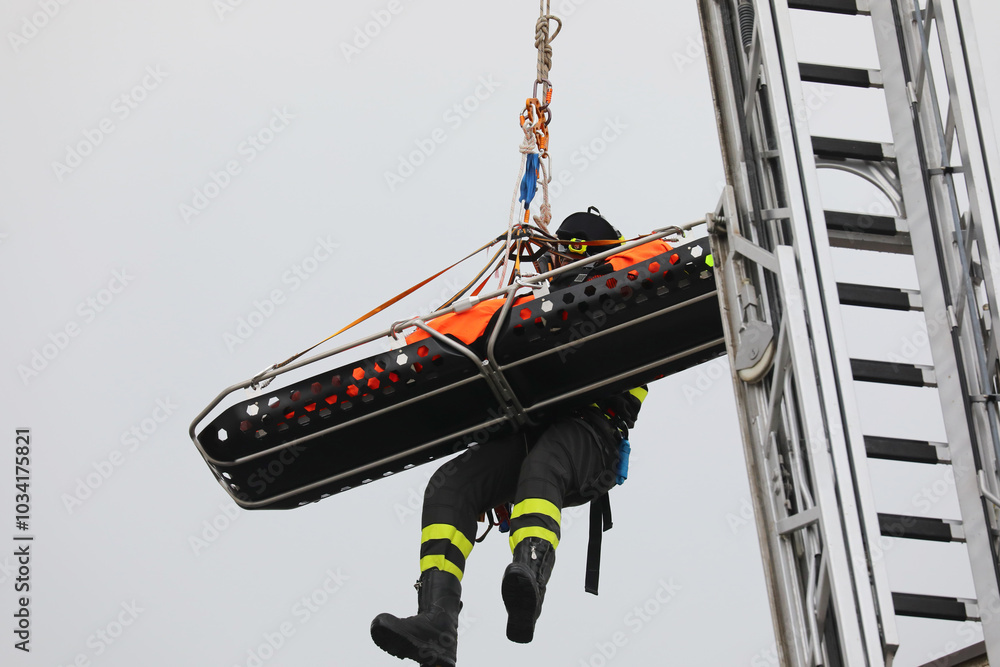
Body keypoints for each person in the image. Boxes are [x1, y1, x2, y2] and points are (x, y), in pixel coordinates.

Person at [370, 208, 668, 667]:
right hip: (536, 428)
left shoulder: (629, 283)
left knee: (545, 462)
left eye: (558, 256)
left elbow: (653, 265)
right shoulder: (543, 311)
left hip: (593, 435)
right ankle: (436, 623)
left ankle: (530, 573)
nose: (547, 269)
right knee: (452, 485)